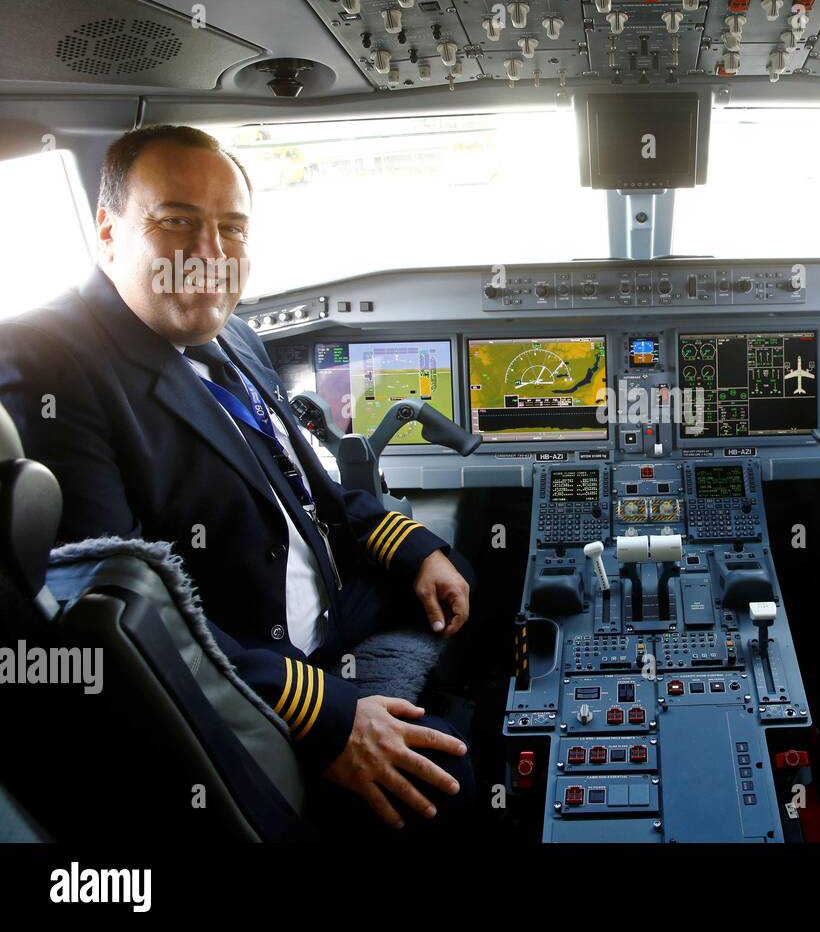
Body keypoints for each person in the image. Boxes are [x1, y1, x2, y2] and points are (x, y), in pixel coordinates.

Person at [0, 124, 475, 834]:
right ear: (107, 231)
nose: (210, 255)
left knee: (492, 587)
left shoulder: (231, 336)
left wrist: (415, 548)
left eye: (231, 228)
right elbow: (132, 623)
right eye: (177, 222)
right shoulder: (46, 363)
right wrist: (331, 718)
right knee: (452, 787)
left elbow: (314, 487)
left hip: (331, 609)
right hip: (253, 667)